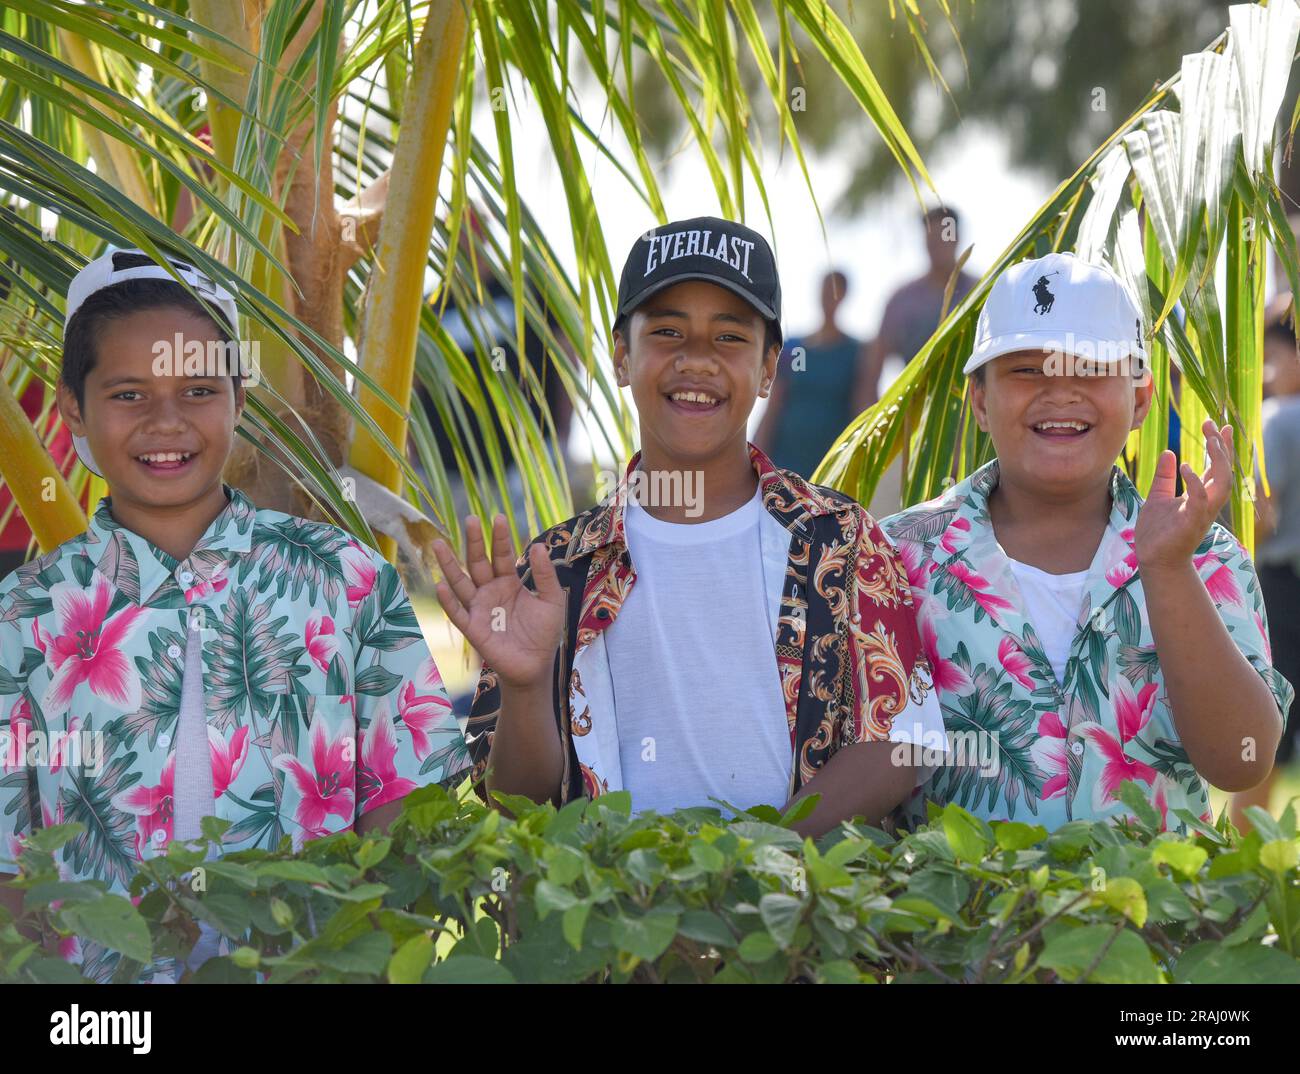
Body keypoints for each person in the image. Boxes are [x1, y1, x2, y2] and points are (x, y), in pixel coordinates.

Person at [0, 249, 469, 982]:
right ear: (72, 411)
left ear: (239, 400)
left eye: (197, 389)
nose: (167, 422)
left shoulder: (344, 582)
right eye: (129, 394)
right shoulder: (23, 618)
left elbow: (410, 815)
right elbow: (11, 867)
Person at [433, 216, 945, 837]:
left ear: (767, 369)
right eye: (668, 331)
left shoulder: (838, 540)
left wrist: (756, 865)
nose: (697, 359)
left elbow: (899, 745)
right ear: (623, 357)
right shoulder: (560, 566)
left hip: (798, 921)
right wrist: (524, 685)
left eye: (729, 337)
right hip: (610, 919)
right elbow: (518, 798)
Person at [880, 251, 1292, 832]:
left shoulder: (1209, 559)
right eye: (1027, 369)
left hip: (1153, 920)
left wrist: (1169, 569)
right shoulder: (898, 558)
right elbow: (870, 770)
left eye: (1093, 369)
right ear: (977, 400)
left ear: (1142, 400)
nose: (1061, 392)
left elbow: (1241, 760)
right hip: (965, 922)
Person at [1231, 301, 1300, 829]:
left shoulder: (1276, 421)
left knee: (1268, 722)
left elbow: (1260, 519)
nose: (1267, 372)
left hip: (1279, 587)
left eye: (1273, 358)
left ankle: (1248, 850)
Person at [855, 206, 977, 412]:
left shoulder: (979, 294)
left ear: (956, 238)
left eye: (942, 239)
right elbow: (872, 369)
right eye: (931, 241)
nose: (935, 248)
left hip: (971, 415)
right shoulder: (903, 300)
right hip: (916, 415)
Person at [754, 270, 863, 479]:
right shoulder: (797, 349)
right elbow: (775, 404)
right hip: (785, 461)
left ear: (845, 296)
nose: (829, 299)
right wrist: (754, 455)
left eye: (835, 293)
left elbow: (861, 404)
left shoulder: (855, 351)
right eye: (825, 292)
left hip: (831, 463)